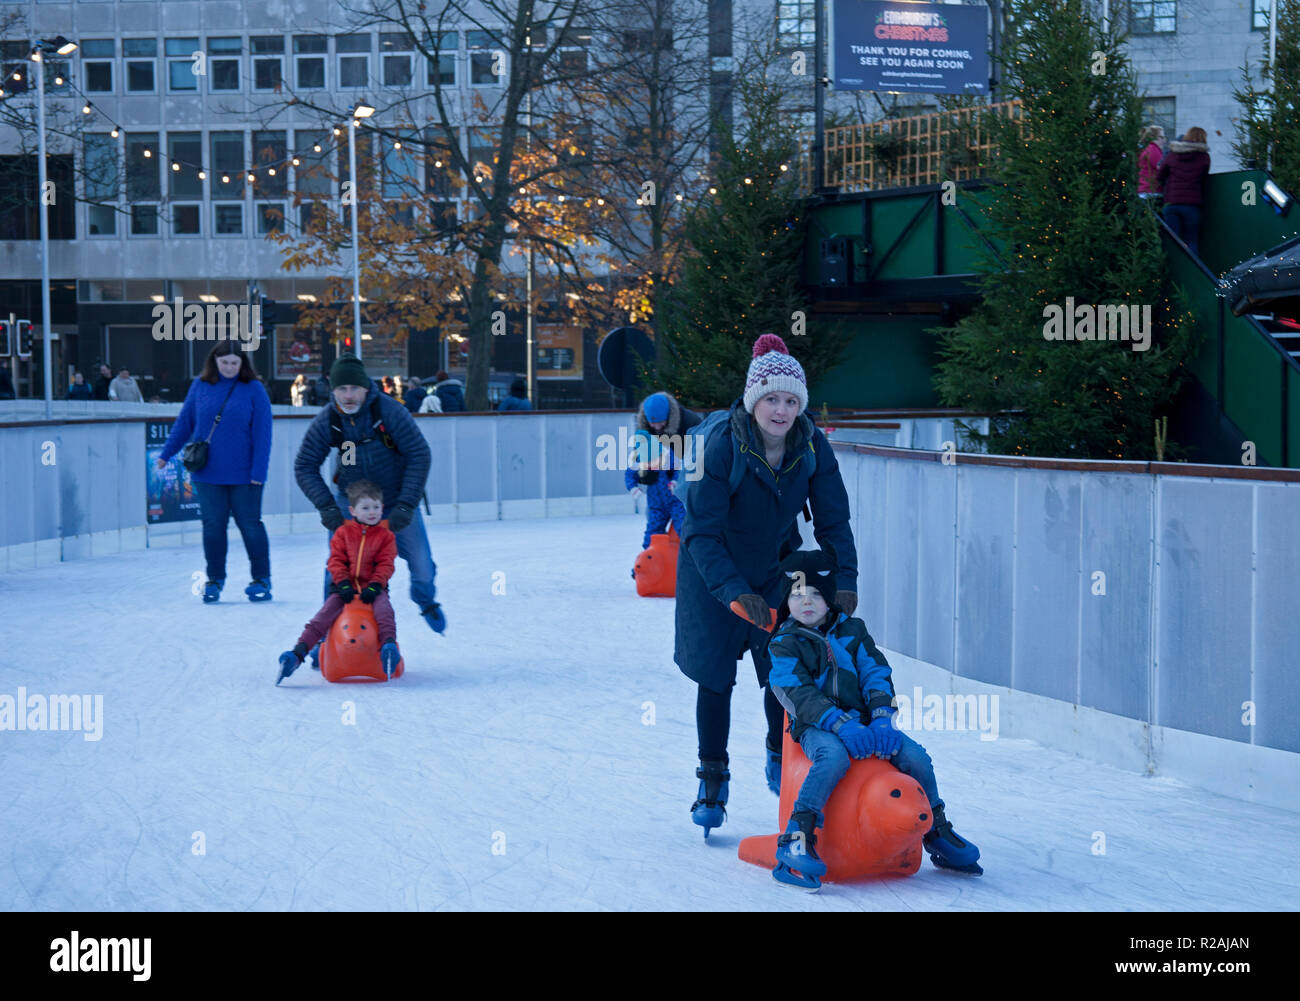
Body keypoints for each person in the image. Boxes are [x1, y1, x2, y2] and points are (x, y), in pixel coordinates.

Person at [676, 333, 857, 837]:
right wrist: (733, 592)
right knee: (714, 677)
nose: (781, 410)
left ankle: (780, 756)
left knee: (778, 669)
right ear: (755, 400)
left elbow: (834, 521)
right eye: (772, 399)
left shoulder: (812, 445)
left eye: (792, 400)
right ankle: (712, 777)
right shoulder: (718, 445)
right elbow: (699, 531)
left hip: (775, 569)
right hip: (709, 572)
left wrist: (846, 579)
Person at [766, 548, 982, 889]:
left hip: (867, 721)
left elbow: (876, 672)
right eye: (797, 595)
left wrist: (882, 717)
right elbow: (794, 690)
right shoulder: (784, 642)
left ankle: (937, 829)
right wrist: (838, 723)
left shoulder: (853, 631)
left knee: (915, 757)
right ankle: (798, 834)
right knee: (833, 757)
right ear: (786, 601)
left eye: (815, 595)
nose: (806, 603)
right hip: (816, 725)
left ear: (830, 599)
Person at [294, 353, 446, 635]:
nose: (348, 396)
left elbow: (419, 454)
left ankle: (425, 600)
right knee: (338, 572)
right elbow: (304, 466)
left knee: (422, 565)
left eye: (354, 388)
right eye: (341, 389)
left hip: (396, 501)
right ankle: (327, 637)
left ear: (366, 388)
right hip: (349, 506)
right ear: (332, 389)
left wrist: (406, 505)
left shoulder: (389, 411)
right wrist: (326, 506)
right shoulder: (329, 419)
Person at [155, 341, 274, 603]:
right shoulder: (200, 386)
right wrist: (166, 454)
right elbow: (185, 422)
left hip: (245, 475)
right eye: (225, 363)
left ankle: (261, 578)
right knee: (213, 527)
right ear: (215, 361)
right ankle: (215, 580)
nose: (230, 368)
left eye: (235, 363)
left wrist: (259, 470)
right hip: (208, 472)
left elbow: (263, 434)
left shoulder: (254, 389)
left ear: (242, 363)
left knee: (250, 526)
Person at [276, 479, 402, 685]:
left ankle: (388, 647)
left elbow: (386, 564)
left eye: (377, 507)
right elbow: (335, 560)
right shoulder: (342, 534)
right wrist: (342, 583)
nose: (373, 512)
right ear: (352, 510)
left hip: (374, 589)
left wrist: (376, 585)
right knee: (322, 618)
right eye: (366, 508)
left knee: (384, 612)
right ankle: (297, 654)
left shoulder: (385, 536)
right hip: (343, 590)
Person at [1158, 127, 1210, 257]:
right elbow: (1204, 179)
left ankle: (1172, 273)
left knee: (1172, 242)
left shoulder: (1172, 154)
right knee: (1191, 241)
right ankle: (1192, 273)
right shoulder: (1204, 157)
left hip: (1172, 203)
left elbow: (1160, 176)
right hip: (1192, 206)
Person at [1137, 124, 1166, 202]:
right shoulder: (1153, 150)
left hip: (1146, 190)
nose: (1164, 141)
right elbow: (1161, 169)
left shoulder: (1147, 149)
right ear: (1153, 137)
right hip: (1151, 191)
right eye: (1161, 137)